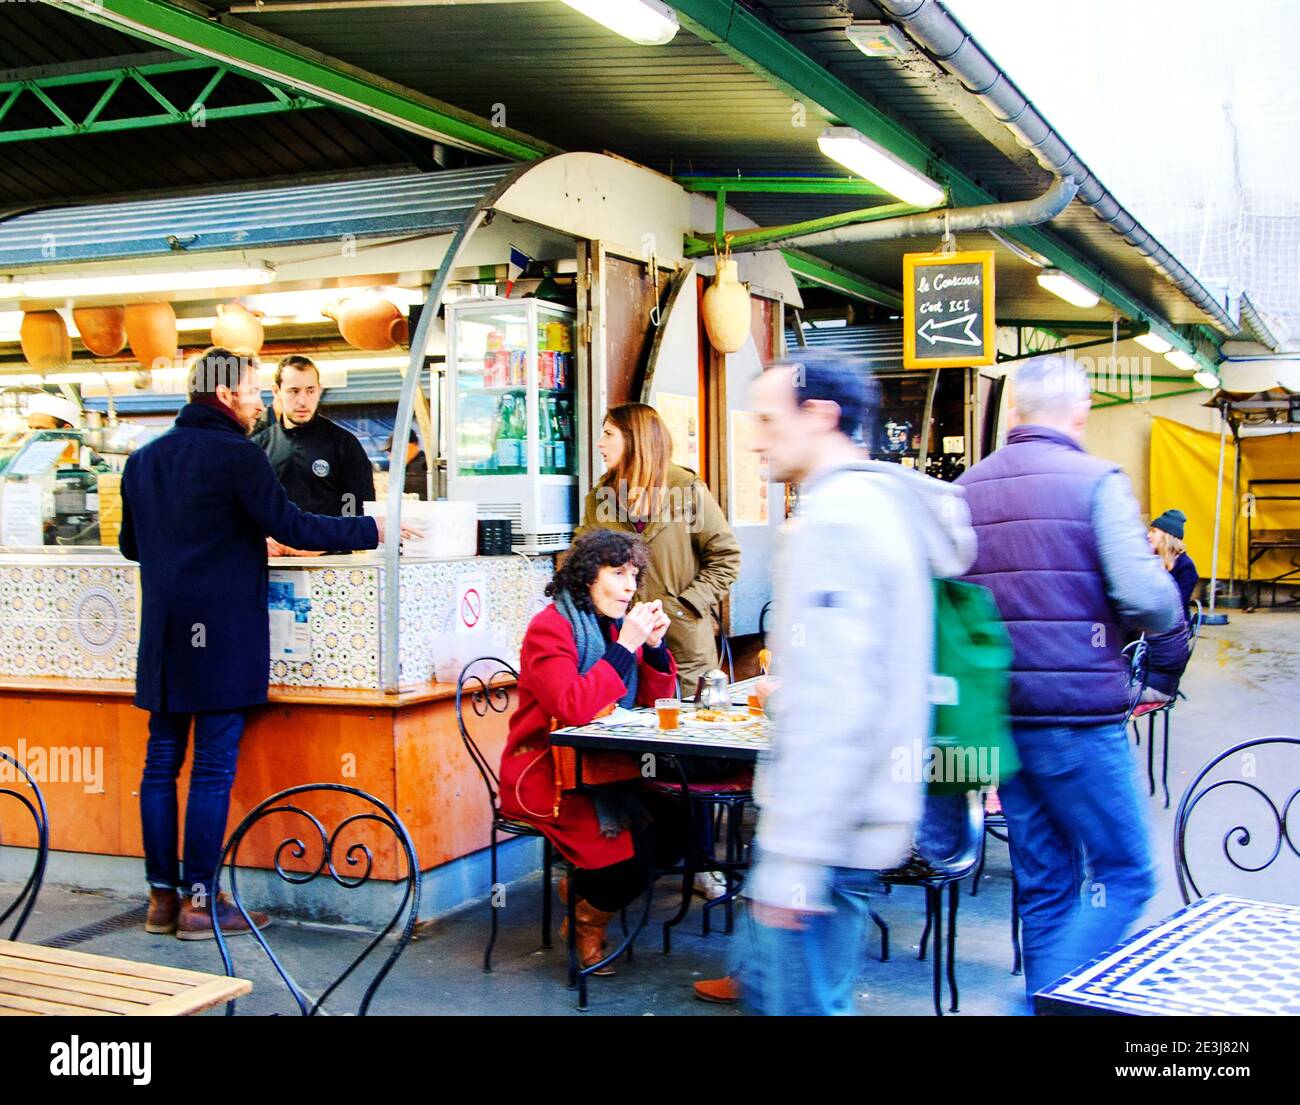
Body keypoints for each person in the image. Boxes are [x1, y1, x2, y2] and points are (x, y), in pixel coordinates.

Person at [118, 347, 415, 940]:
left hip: (164, 635)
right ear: (227, 394)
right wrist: (374, 526)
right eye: (254, 390)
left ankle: (161, 899)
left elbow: (132, 546)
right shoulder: (237, 456)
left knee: (160, 764)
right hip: (222, 634)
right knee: (209, 770)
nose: (259, 401)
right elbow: (294, 526)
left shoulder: (144, 460)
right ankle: (200, 905)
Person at [728, 350, 976, 1015]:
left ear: (822, 416)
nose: (754, 437)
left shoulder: (833, 521)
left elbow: (837, 705)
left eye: (768, 418)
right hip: (863, 822)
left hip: (824, 837)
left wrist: (794, 859)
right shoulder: (883, 508)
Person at [955, 354, 1182, 1008]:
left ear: (1016, 412)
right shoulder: (1096, 481)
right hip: (1079, 720)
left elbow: (955, 599)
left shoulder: (969, 487)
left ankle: (1045, 1000)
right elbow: (1148, 597)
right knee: (1127, 873)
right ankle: (1032, 1006)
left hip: (1002, 720)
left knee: (1048, 883)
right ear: (1080, 414)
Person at [496, 529, 685, 974]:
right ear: (586, 579)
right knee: (626, 862)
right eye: (617, 573)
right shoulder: (550, 627)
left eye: (634, 575)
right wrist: (624, 648)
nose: (629, 586)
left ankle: (583, 893)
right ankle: (586, 922)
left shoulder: (615, 625)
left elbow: (651, 704)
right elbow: (572, 707)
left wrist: (654, 651)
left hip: (608, 767)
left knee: (682, 826)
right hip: (547, 773)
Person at [573, 402, 740, 695]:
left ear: (634, 439)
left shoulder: (687, 489)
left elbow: (725, 558)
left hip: (684, 642)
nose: (600, 443)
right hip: (620, 640)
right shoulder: (600, 498)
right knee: (631, 729)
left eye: (608, 434)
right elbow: (581, 562)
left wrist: (684, 606)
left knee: (688, 731)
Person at [252, 355, 375, 556]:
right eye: (293, 391)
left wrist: (321, 546)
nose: (303, 400)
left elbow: (356, 512)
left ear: (319, 390)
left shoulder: (343, 444)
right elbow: (247, 511)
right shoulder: (258, 447)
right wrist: (260, 541)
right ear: (277, 392)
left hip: (328, 569)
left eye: (310, 391)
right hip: (272, 568)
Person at [1136, 509, 1199, 704]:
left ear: (1166, 536)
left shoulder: (1185, 567)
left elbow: (1172, 608)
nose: (1148, 534)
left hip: (1166, 634)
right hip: (1151, 628)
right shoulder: (1152, 562)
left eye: (1154, 531)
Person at [386, 427, 429, 499]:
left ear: (409, 446)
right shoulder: (402, 468)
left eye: (392, 451)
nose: (390, 457)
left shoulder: (425, 467)